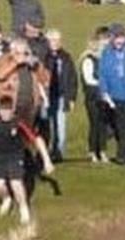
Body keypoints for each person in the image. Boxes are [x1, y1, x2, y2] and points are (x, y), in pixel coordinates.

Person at [0, 96, 55, 225]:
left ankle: (23, 208)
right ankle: (6, 198)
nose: (5, 113)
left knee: (16, 182)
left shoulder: (18, 123)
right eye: (3, 110)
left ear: (12, 110)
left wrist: (47, 160)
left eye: (8, 110)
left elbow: (37, 139)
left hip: (14, 157)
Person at [98, 23, 125, 164]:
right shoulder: (106, 52)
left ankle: (123, 156)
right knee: (122, 127)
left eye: (121, 37)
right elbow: (102, 74)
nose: (119, 41)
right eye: (115, 38)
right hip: (116, 96)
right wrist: (104, 91)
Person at [0, 37, 50, 125]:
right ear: (12, 51)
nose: (22, 55)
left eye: (25, 52)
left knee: (27, 131)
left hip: (30, 103)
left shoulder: (31, 62)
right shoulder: (4, 59)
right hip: (11, 103)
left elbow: (45, 79)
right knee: (10, 131)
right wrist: (15, 62)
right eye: (18, 53)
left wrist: (38, 67)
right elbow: (0, 74)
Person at [43, 29, 76, 163]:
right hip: (47, 96)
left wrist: (72, 97)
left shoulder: (66, 57)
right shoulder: (44, 57)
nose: (55, 43)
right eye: (52, 40)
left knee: (61, 127)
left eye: (58, 40)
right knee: (49, 126)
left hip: (62, 96)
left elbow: (72, 78)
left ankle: (59, 152)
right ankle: (47, 152)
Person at [79, 27, 111, 163]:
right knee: (95, 124)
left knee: (103, 124)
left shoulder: (105, 58)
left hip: (104, 96)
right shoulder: (88, 59)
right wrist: (102, 86)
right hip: (93, 97)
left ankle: (102, 151)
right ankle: (93, 151)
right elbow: (89, 79)